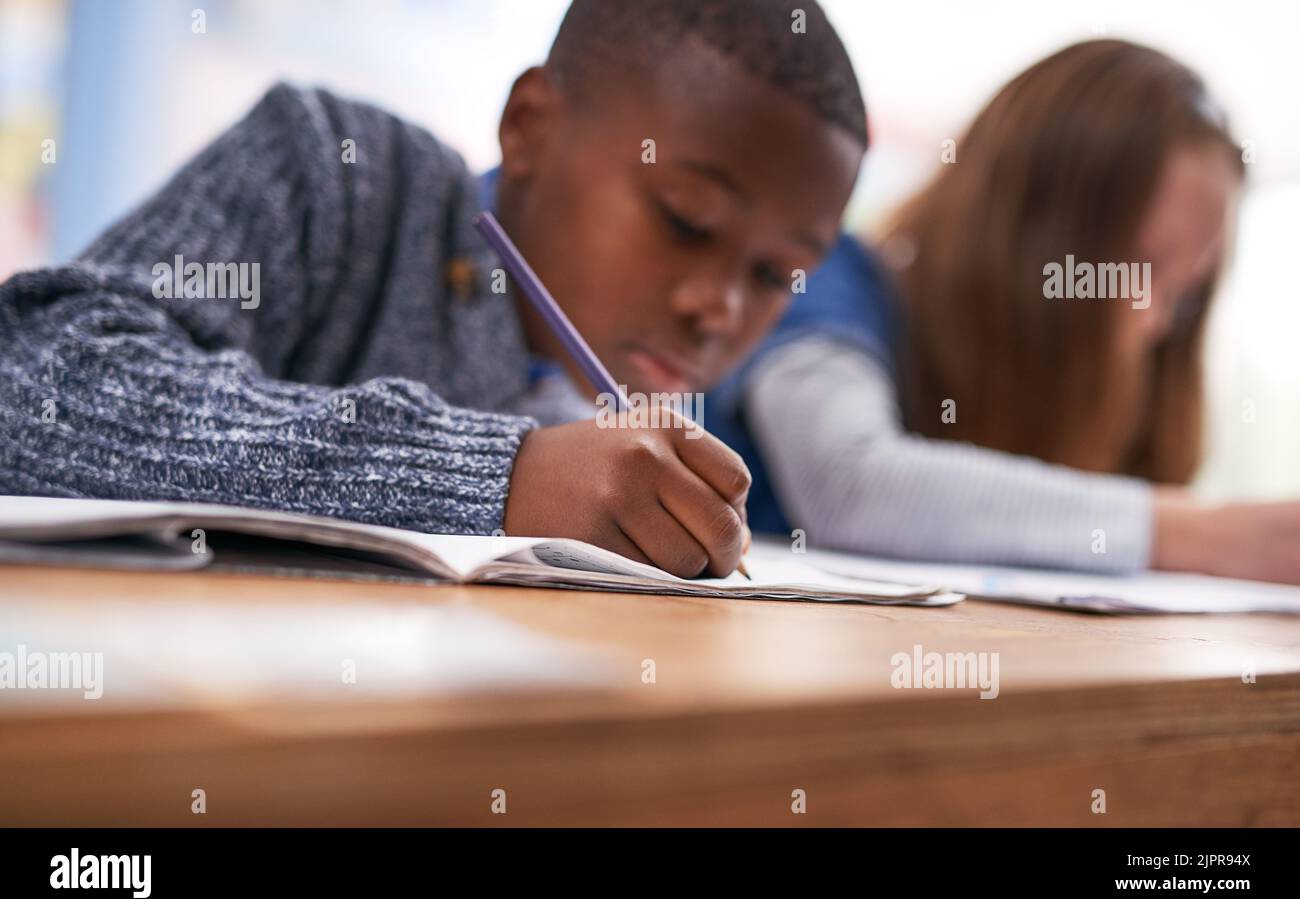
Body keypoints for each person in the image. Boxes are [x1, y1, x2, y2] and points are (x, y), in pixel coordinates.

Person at [0, 0, 867, 579]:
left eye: (771, 274)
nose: (718, 307)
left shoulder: (660, 404)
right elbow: (33, 379)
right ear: (530, 125)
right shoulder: (339, 171)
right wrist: (496, 476)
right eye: (684, 217)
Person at [710, 39, 1300, 585]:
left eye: (1182, 294)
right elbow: (848, 483)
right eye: (1135, 269)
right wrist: (1213, 534)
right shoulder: (828, 279)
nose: (1155, 323)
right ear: (1034, 236)